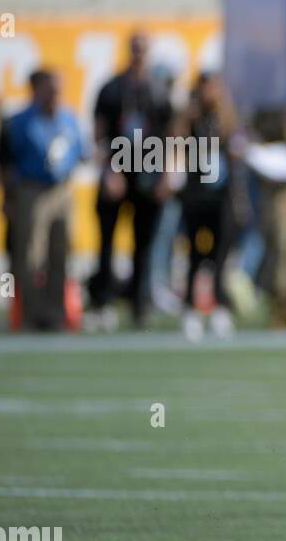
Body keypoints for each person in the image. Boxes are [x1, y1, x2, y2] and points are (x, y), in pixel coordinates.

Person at [89, 31, 173, 330]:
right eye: (135, 48)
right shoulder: (112, 88)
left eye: (143, 48)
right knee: (107, 242)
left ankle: (139, 304)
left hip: (147, 172)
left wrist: (165, 175)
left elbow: (169, 136)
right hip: (117, 168)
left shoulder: (159, 89)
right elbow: (99, 134)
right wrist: (109, 171)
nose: (139, 54)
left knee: (144, 244)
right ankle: (102, 303)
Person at [0, 68, 87, 331]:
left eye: (58, 88)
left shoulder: (69, 119)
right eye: (49, 88)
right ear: (36, 90)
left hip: (61, 190)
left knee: (60, 252)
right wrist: (8, 196)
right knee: (29, 254)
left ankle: (55, 313)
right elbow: (6, 161)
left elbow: (81, 152)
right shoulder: (20, 121)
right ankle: (29, 314)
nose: (55, 94)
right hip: (31, 189)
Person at [176, 71, 238, 339]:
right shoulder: (190, 119)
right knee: (194, 254)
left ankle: (220, 306)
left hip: (220, 196)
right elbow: (175, 144)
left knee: (221, 254)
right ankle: (191, 308)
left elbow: (237, 145)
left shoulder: (225, 118)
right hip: (196, 195)